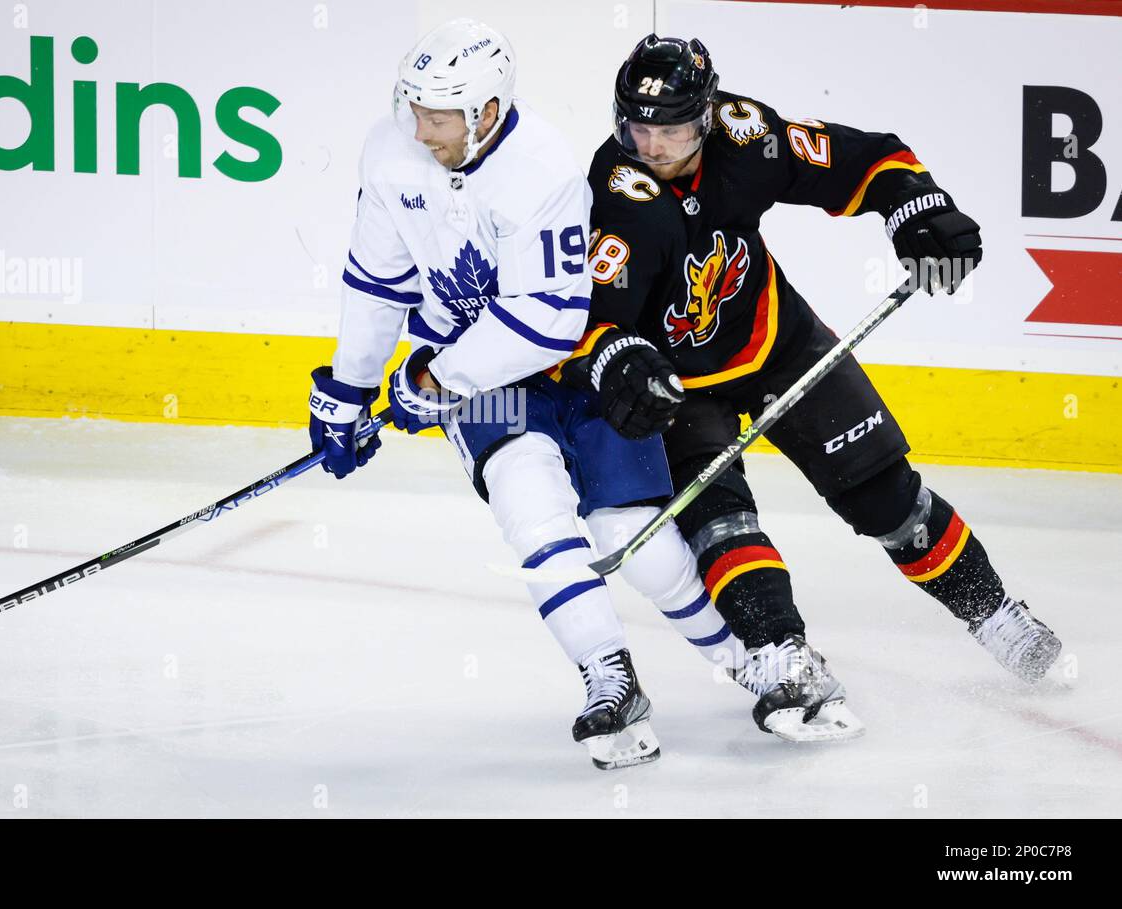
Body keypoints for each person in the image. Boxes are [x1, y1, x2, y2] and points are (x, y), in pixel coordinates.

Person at [559, 35, 1060, 733]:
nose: (652, 143)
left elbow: (867, 158)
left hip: (779, 344)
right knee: (722, 523)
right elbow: (583, 321)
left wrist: (915, 206)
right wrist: (620, 360)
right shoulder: (616, 195)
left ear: (706, 115)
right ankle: (783, 654)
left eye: (670, 126)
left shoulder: (748, 135)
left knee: (889, 500)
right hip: (682, 387)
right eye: (639, 126)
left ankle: (996, 611)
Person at [307, 20, 754, 769]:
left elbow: (548, 322)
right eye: (413, 108)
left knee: (632, 541)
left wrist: (436, 382)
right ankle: (609, 678)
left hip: (577, 367)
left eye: (438, 116)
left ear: (485, 111)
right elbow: (376, 283)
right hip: (479, 379)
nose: (420, 130)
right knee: (528, 505)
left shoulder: (539, 165)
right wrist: (348, 391)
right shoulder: (392, 153)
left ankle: (755, 663)